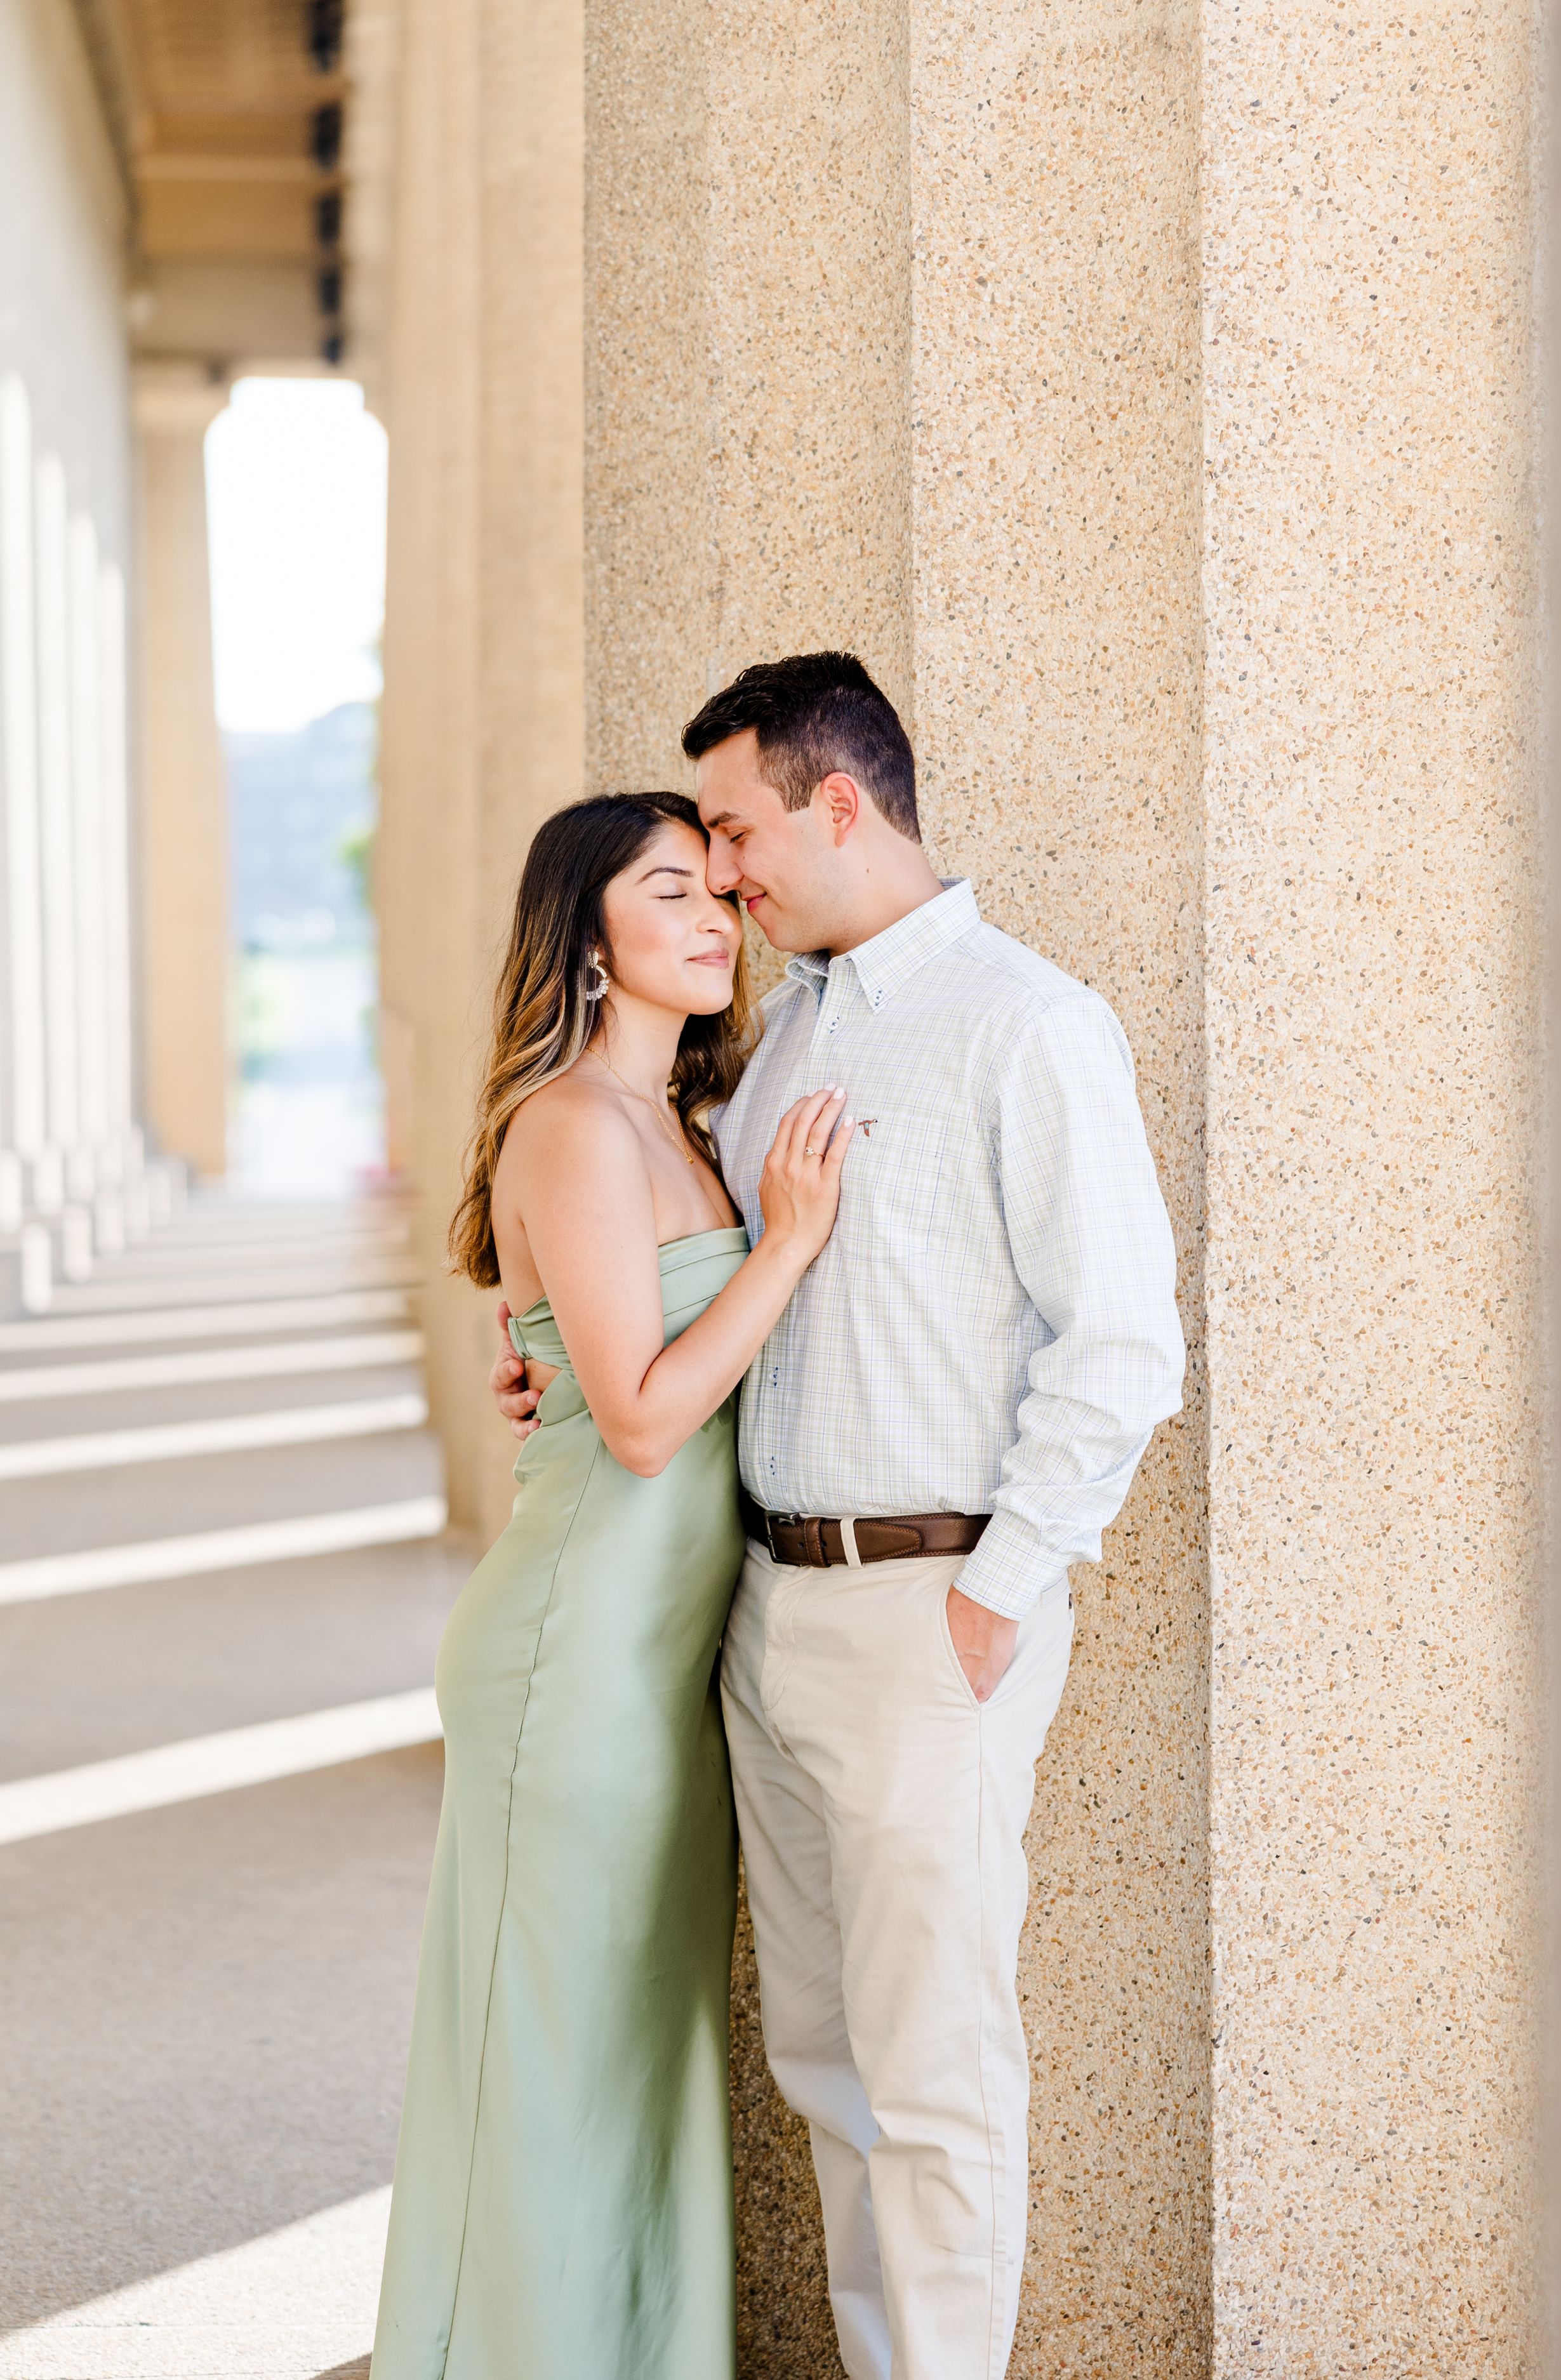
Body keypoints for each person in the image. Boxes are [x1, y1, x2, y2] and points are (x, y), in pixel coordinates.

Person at [494, 655, 1186, 2380]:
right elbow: (659, 1259)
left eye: (733, 831)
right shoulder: (786, 1023)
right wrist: (547, 1366)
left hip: (925, 1610)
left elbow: (1123, 1347)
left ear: (840, 805)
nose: (722, 874)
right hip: (765, 1610)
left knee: (935, 2068)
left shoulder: (1028, 1021)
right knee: (822, 2053)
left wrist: (993, 1593)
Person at [371, 790, 853, 2380]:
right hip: (571, 1665)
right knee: (553, 2058)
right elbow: (644, 1422)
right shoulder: (575, 1123)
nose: (716, 916)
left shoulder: (677, 1125)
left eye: (720, 888)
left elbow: (588, 1360)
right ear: (588, 933)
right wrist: (783, 1247)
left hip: (654, 1673)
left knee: (635, 2060)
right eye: (671, 891)